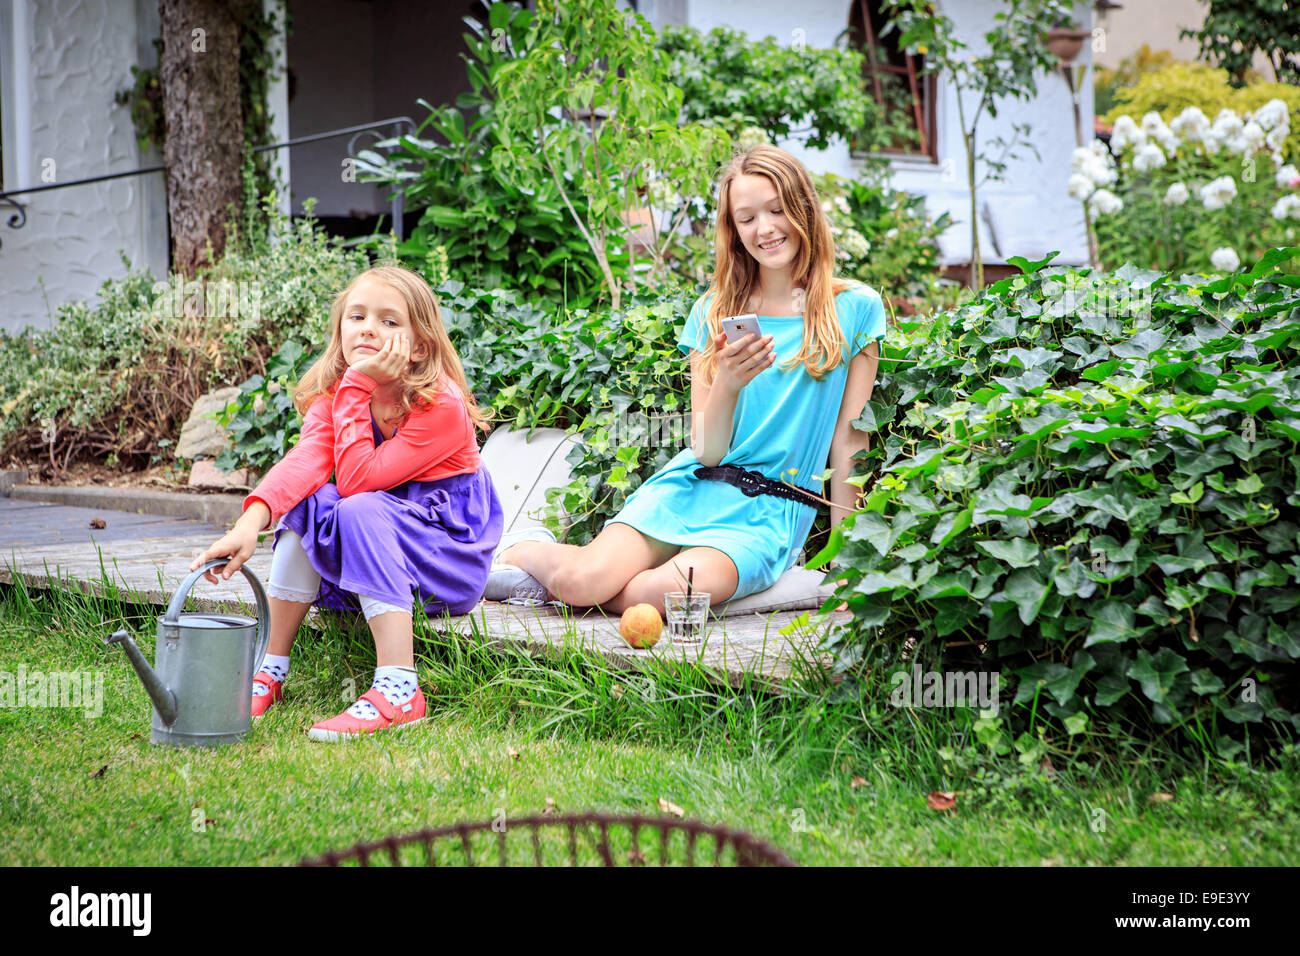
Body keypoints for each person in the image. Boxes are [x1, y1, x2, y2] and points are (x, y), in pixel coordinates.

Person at [490, 143, 884, 613]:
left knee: (651, 596)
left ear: (803, 209)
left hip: (766, 515)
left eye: (777, 209)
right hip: (690, 485)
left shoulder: (854, 308)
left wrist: (848, 560)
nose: (766, 228)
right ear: (734, 231)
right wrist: (730, 383)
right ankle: (528, 551)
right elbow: (708, 449)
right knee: (584, 583)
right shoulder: (714, 312)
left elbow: (848, 441)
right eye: (747, 218)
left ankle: (544, 584)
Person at [190, 265, 502, 742]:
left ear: (419, 346)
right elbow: (305, 465)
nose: (369, 328)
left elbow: (359, 483)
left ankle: (399, 690)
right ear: (340, 328)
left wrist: (356, 386)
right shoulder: (338, 397)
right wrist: (249, 524)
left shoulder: (440, 405)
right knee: (311, 501)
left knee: (356, 506)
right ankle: (268, 670)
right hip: (378, 550)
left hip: (446, 560)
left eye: (390, 321)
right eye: (357, 316)